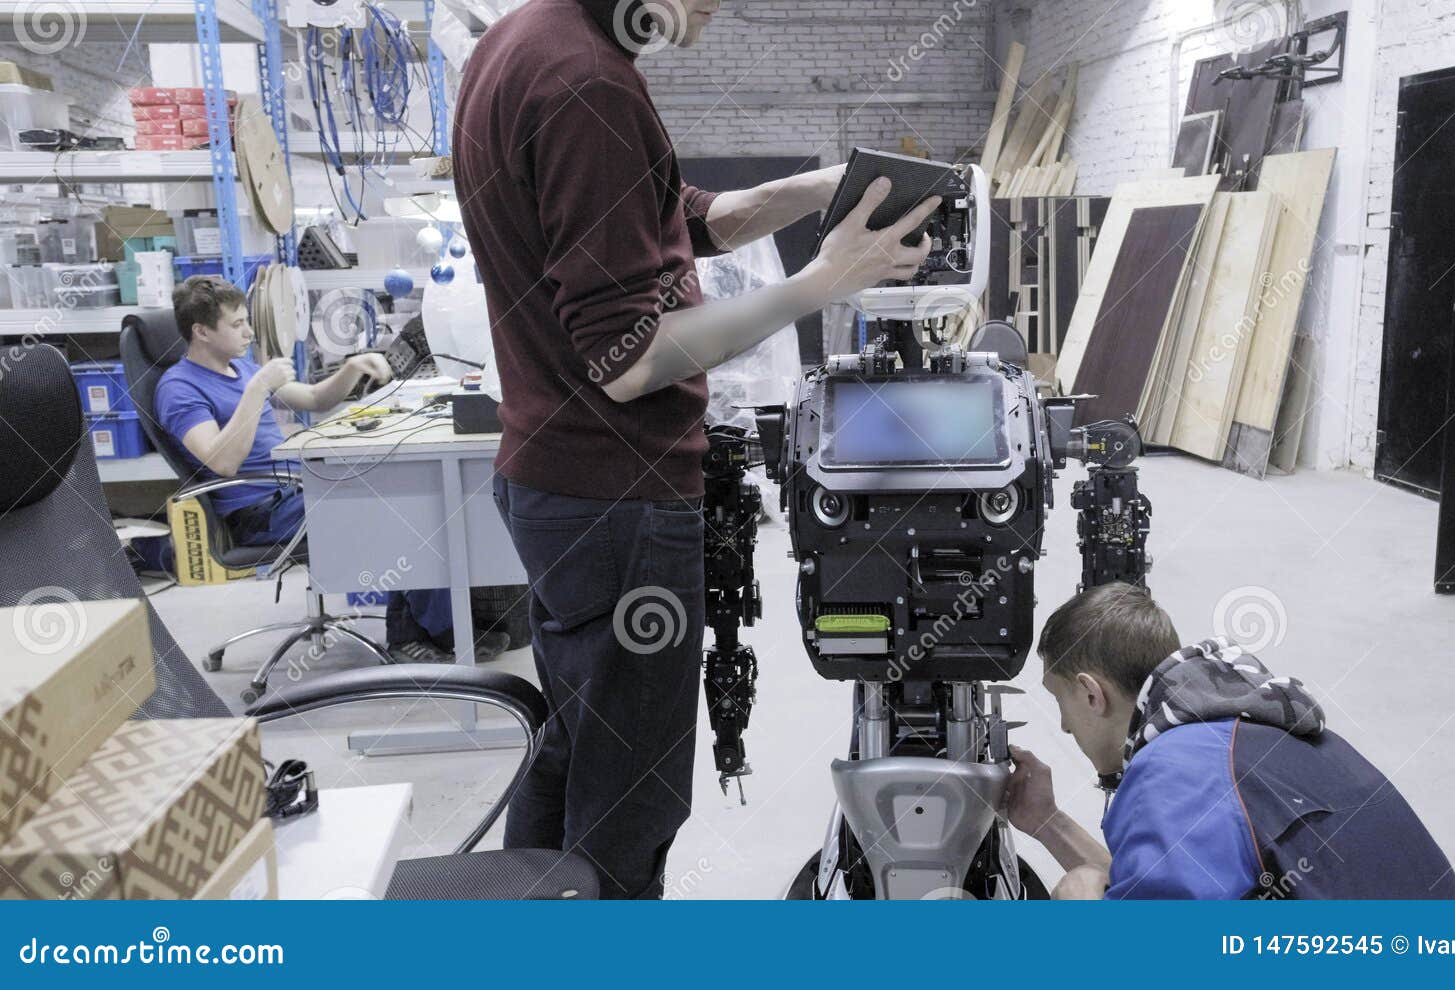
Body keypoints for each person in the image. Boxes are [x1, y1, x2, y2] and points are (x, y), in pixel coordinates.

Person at [453, 0, 941, 898]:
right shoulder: (586, 79)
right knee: (627, 806)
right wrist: (823, 281)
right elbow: (627, 358)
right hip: (617, 499)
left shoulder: (525, 40)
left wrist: (802, 192)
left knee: (572, 758)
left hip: (558, 481)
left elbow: (656, 218)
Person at [1004, 582, 1455, 900]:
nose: (1064, 726)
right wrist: (1046, 822)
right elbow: (1155, 891)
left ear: (1090, 693)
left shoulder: (1175, 773)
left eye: (1060, 701)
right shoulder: (1232, 734)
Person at [153, 275, 507, 664]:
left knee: (403, 492)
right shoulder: (179, 388)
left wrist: (353, 367)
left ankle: (419, 631)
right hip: (259, 513)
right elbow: (221, 461)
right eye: (236, 325)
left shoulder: (238, 369)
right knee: (405, 512)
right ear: (201, 331)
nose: (249, 332)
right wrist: (258, 389)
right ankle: (436, 632)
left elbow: (314, 399)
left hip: (292, 491)